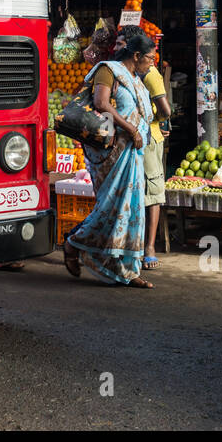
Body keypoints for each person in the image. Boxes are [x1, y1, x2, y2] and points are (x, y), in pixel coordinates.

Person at [62, 34, 156, 288]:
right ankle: (72, 244)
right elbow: (101, 103)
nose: (152, 63)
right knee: (110, 208)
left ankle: (128, 269)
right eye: (149, 58)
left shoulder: (137, 79)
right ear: (136, 56)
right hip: (111, 152)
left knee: (131, 208)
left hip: (132, 152)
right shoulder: (108, 70)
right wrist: (132, 129)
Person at [141, 54, 172, 268]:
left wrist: (158, 122)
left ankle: (149, 247)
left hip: (150, 139)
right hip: (130, 138)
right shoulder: (121, 72)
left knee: (152, 192)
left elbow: (165, 110)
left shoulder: (151, 74)